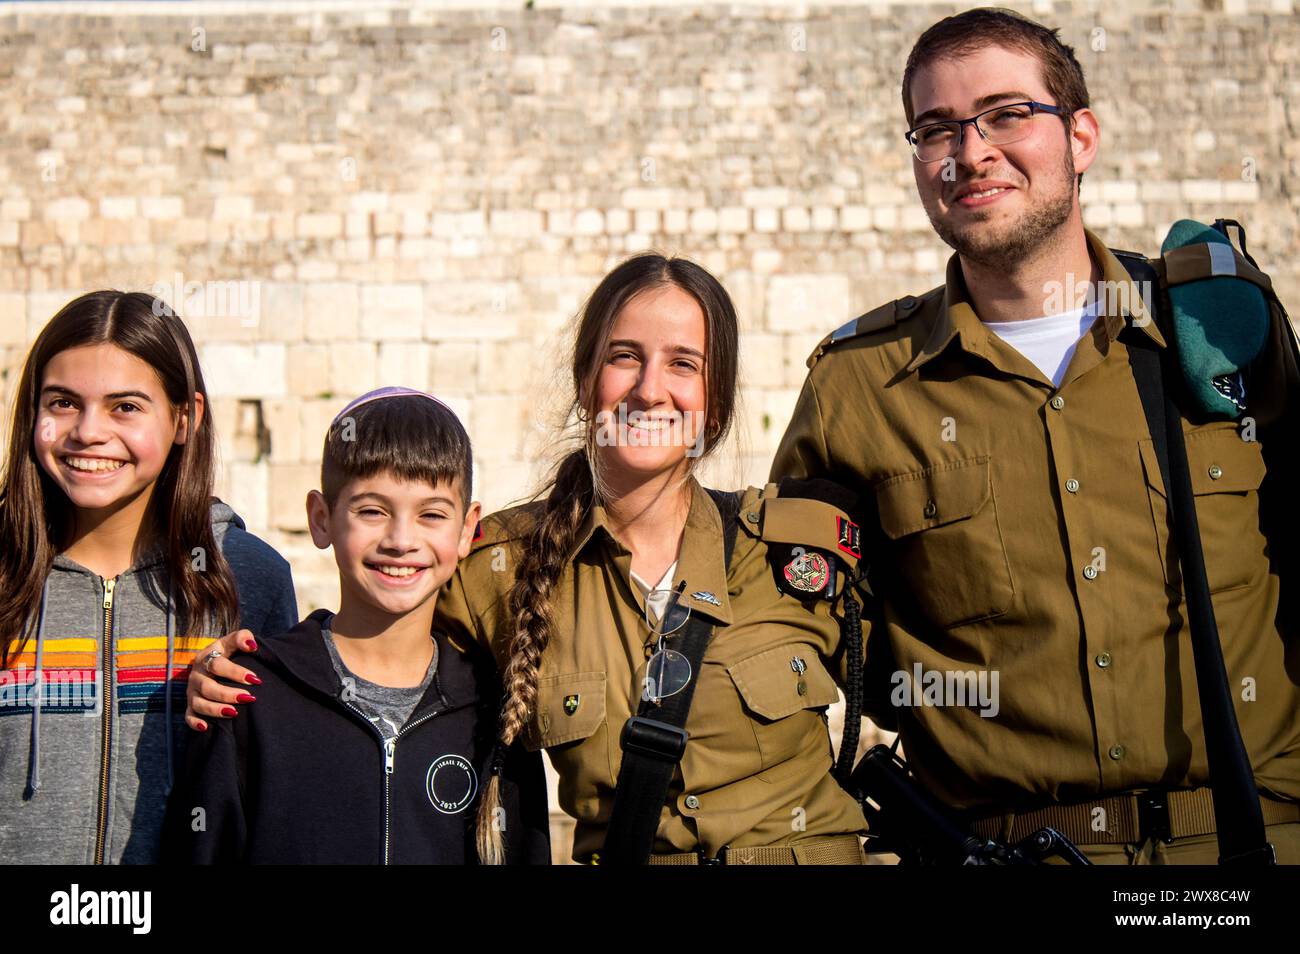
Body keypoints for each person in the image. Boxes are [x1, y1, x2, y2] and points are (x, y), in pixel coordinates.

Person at [772, 7, 1300, 864]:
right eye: (937, 128)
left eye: (1008, 114)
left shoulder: (1217, 330)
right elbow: (793, 641)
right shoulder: (855, 390)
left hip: (1245, 852)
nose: (972, 151)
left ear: (1081, 137)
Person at [189, 254, 873, 865]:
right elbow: (380, 638)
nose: (650, 388)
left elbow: (921, 689)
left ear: (715, 402)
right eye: (625, 357)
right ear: (586, 381)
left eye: (684, 364)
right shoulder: (498, 572)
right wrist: (253, 677)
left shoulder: (796, 552)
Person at [166, 387, 550, 863]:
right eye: (372, 510)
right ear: (321, 519)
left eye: (431, 514)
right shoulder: (248, 696)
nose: (401, 540)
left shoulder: (495, 711)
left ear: (469, 529)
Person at [0, 290, 297, 864]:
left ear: (186, 419)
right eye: (62, 402)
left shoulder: (251, 578)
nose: (88, 432)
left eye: (125, 407)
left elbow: (274, 795)